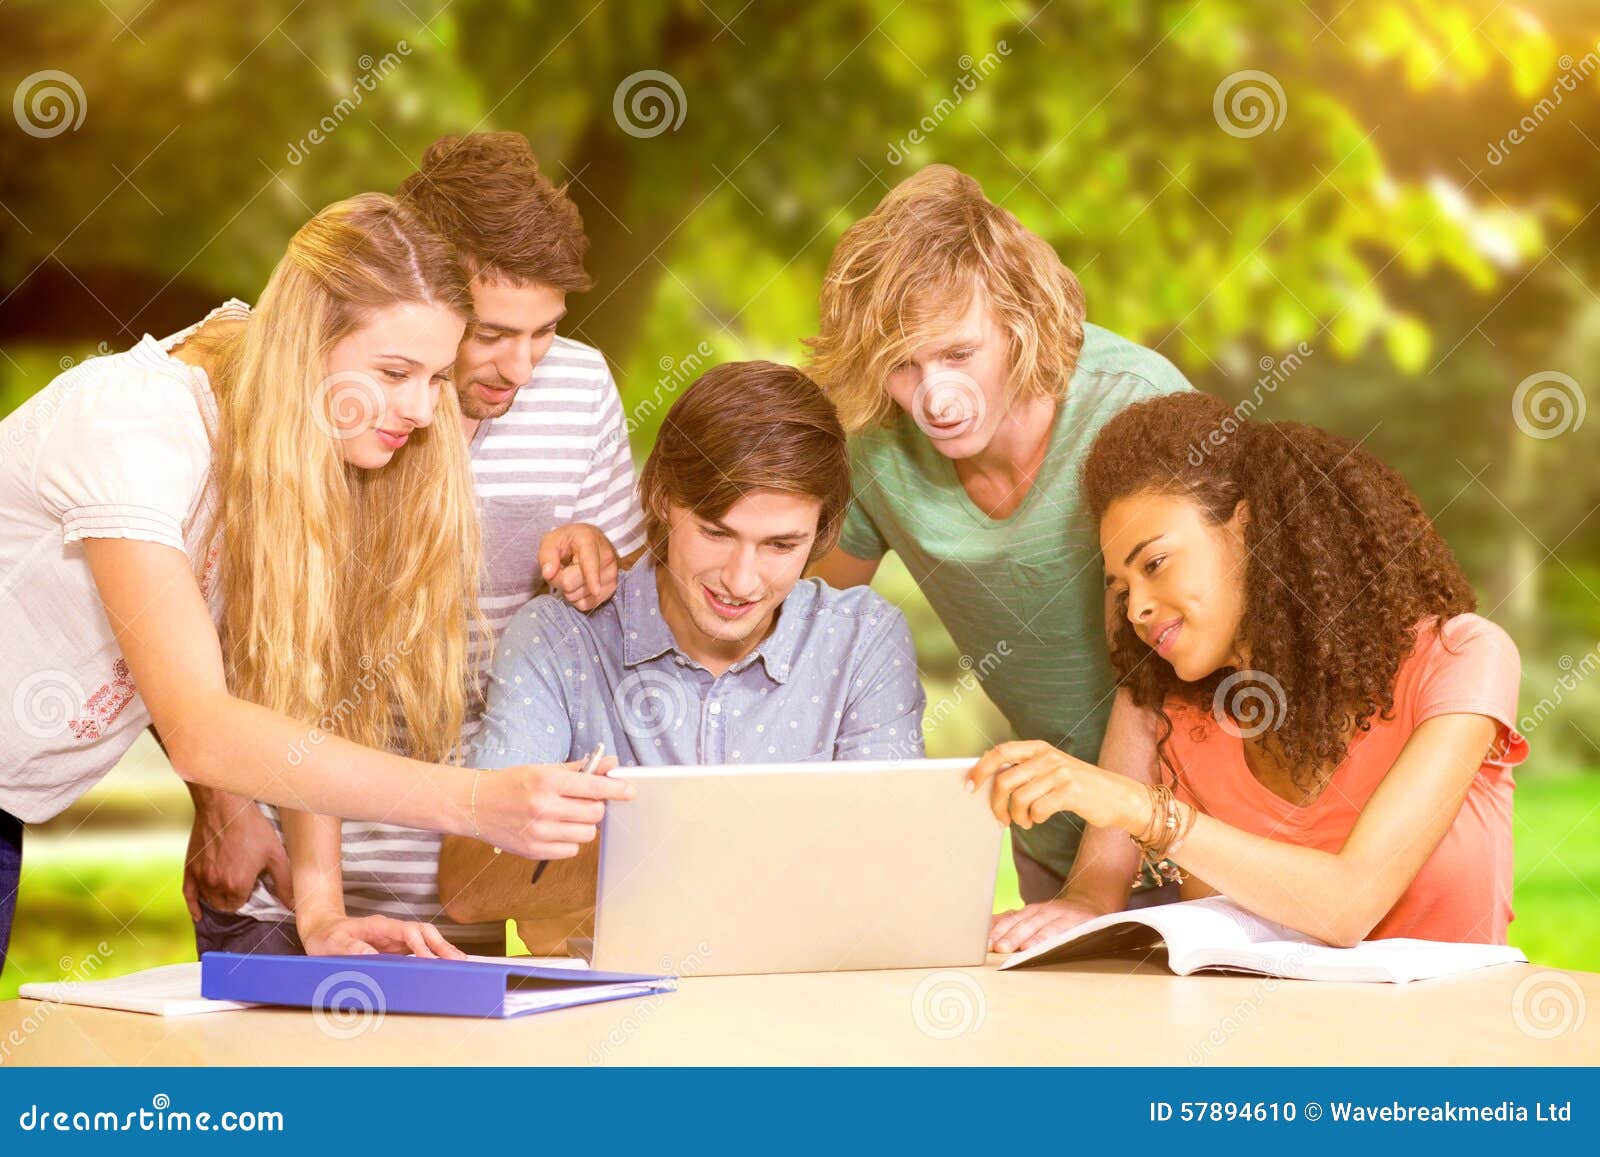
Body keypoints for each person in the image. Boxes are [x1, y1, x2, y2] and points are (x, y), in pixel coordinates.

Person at [0, 192, 628, 973]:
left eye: (435, 376)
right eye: (395, 371)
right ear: (305, 344)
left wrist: (323, 909)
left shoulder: (305, 432)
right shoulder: (135, 426)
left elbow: (294, 675)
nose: (422, 411)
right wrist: (475, 801)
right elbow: (199, 726)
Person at [186, 132, 649, 957]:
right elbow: (220, 637)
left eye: (543, 331)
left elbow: (617, 645)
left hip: (468, 865)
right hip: (283, 870)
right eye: (493, 332)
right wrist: (222, 808)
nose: (522, 367)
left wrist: (600, 562)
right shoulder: (326, 401)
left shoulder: (579, 389)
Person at [972, 392, 1526, 948]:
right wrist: (1065, 913)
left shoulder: (1460, 658)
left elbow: (1350, 905)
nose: (1135, 606)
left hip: (1450, 1031)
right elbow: (1093, 897)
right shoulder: (1160, 706)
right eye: (1120, 587)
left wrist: (1145, 810)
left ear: (1247, 528)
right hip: (1264, 1030)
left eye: (1155, 564)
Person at [436, 362, 927, 953]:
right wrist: (751, 850)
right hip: (611, 1023)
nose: (742, 581)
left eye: (780, 545)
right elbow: (474, 885)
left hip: (808, 1013)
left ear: (820, 534)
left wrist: (606, 855)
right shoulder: (560, 639)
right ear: (664, 499)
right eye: (717, 533)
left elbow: (894, 876)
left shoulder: (863, 642)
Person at [805, 163, 1193, 905]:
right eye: (901, 365)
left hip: (1203, 833)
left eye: (958, 354)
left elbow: (1156, 676)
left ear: (1021, 322)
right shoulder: (876, 447)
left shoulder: (1134, 410)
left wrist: (1094, 892)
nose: (934, 397)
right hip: (1054, 836)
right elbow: (809, 638)